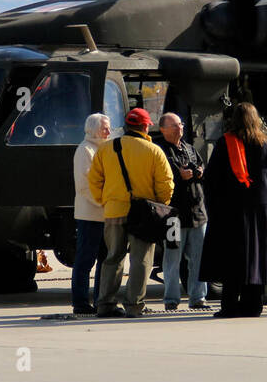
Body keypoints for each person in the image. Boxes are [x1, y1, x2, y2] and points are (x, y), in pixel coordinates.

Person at [88, 107, 174, 317]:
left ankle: (105, 304)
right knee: (141, 259)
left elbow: (94, 180)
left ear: (127, 125)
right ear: (145, 126)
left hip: (114, 210)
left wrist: (104, 200)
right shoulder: (153, 151)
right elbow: (166, 184)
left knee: (112, 258)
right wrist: (160, 204)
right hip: (143, 214)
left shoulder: (107, 148)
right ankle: (134, 305)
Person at [199, 103, 267, 317]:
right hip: (260, 207)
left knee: (233, 256)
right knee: (257, 255)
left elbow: (212, 178)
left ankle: (230, 306)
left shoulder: (226, 143)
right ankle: (254, 305)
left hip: (231, 208)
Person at [156, 112, 209, 311]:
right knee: (172, 259)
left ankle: (198, 297)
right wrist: (180, 177)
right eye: (175, 125)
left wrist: (199, 171)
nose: (180, 128)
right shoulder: (161, 150)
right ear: (163, 129)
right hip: (173, 215)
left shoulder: (188, 148)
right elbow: (162, 178)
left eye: (180, 124)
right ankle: (171, 299)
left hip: (197, 214)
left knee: (198, 258)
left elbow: (201, 165)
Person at [71, 113, 111, 315]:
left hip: (105, 214)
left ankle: (100, 300)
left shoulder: (103, 149)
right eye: (105, 128)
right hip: (90, 215)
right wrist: (105, 202)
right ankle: (80, 302)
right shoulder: (84, 150)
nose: (109, 131)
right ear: (94, 129)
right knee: (85, 261)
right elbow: (84, 186)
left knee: (105, 261)